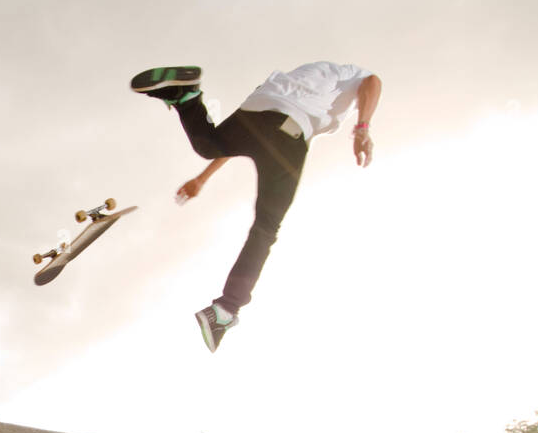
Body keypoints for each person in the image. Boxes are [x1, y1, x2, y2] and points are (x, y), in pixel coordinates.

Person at [131, 62, 382, 351]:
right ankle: (225, 309)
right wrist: (362, 128)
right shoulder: (351, 75)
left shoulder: (308, 75)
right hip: (289, 130)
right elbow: (373, 80)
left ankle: (186, 95)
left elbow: (248, 140)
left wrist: (202, 178)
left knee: (209, 144)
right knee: (266, 226)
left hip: (256, 112)